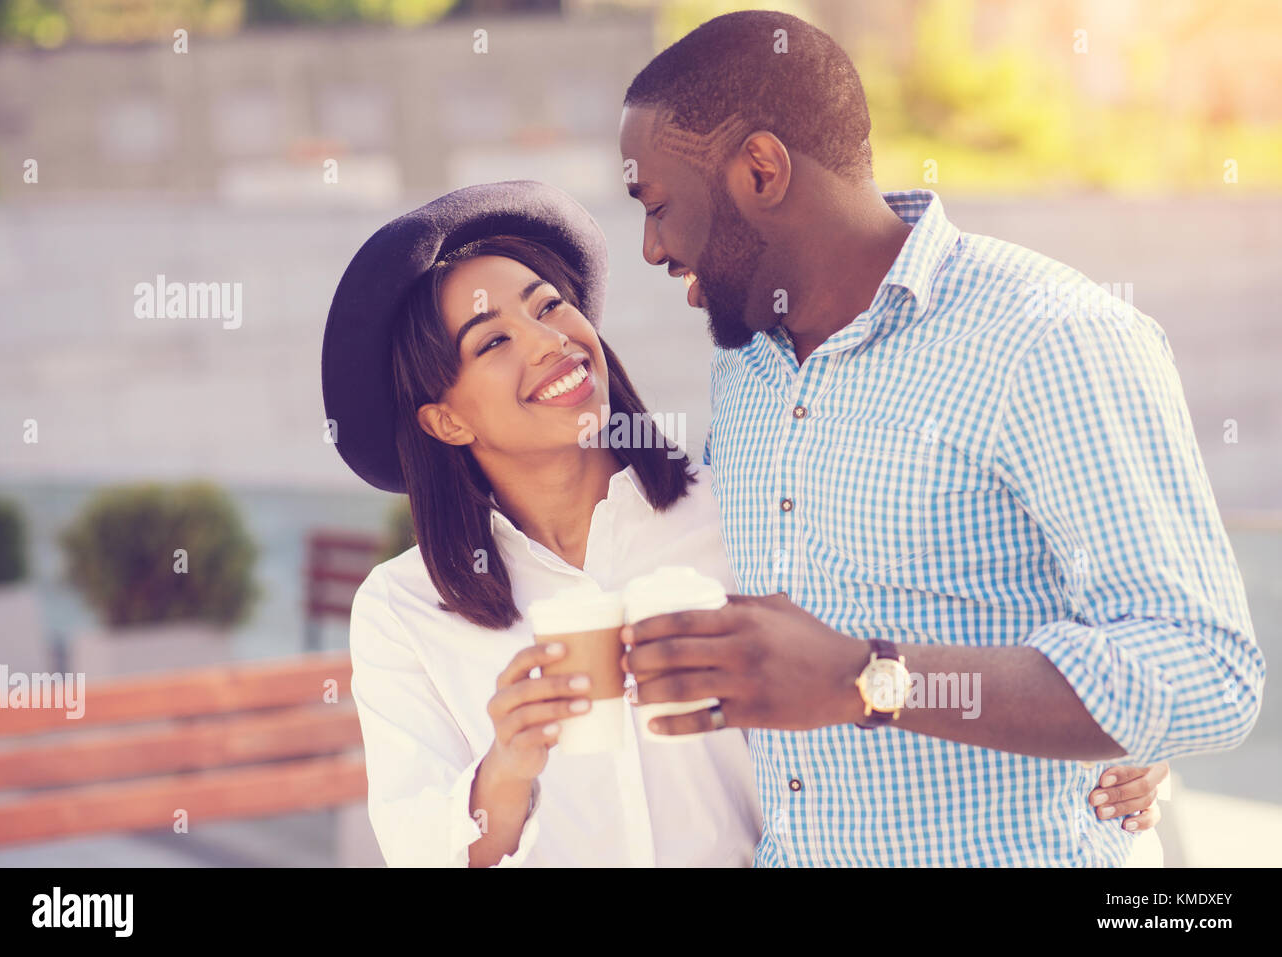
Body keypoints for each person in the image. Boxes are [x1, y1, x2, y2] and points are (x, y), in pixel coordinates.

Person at [322, 181, 1165, 867]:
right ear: (445, 421)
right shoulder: (403, 611)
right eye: (491, 340)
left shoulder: (747, 508)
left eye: (550, 307)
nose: (550, 343)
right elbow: (422, 848)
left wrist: (1123, 737)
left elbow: (927, 656)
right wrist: (507, 764)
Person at [616, 10, 1263, 866]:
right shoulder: (748, 366)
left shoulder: (1053, 337)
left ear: (762, 170)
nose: (652, 247)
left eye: (658, 206)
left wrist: (872, 680)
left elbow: (1205, 670)